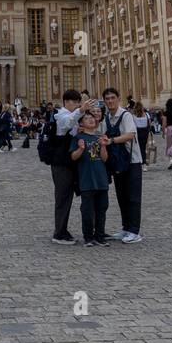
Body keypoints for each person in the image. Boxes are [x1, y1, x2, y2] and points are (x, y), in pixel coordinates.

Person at [47, 89, 89, 244]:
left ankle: (62, 229)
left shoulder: (69, 116)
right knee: (63, 197)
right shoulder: (61, 116)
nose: (78, 105)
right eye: (76, 102)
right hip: (61, 163)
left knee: (67, 196)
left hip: (68, 163)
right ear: (68, 102)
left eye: (79, 102)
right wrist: (81, 110)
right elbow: (67, 123)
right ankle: (59, 233)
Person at [102, 87, 143, 243]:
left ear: (119, 99)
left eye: (113, 98)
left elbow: (131, 135)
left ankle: (134, 231)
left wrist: (112, 140)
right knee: (122, 196)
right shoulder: (107, 118)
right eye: (107, 98)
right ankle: (126, 227)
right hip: (118, 162)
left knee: (133, 196)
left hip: (132, 161)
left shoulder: (126, 116)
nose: (110, 101)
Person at [70, 105, 110, 246]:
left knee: (102, 209)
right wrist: (81, 149)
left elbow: (104, 159)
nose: (90, 120)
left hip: (101, 179)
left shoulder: (101, 136)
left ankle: (100, 236)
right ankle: (88, 237)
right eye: (86, 118)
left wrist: (104, 146)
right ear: (81, 123)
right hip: (86, 180)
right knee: (87, 211)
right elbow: (73, 157)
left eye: (92, 118)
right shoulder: (78, 138)